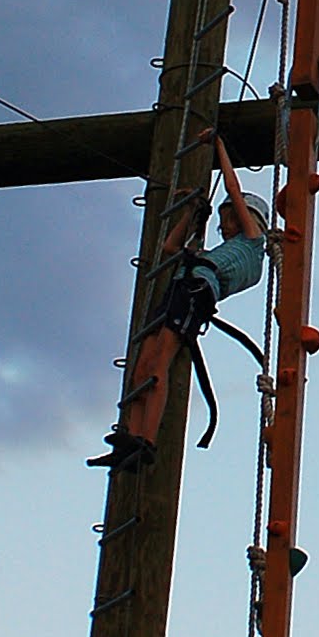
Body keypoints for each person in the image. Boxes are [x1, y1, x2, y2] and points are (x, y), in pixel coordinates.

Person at [88, 129, 269, 473]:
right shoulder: (220, 253)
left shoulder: (252, 243)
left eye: (228, 216)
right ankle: (130, 435)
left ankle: (147, 440)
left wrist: (218, 145)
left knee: (158, 366)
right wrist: (192, 211)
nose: (225, 225)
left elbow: (232, 188)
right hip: (182, 288)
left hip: (195, 293)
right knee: (141, 367)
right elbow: (171, 248)